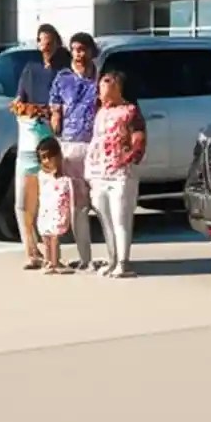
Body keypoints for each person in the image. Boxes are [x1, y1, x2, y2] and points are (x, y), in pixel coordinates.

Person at [9, 23, 69, 269]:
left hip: (50, 141)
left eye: (50, 41)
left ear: (57, 44)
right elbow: (18, 101)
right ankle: (31, 252)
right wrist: (23, 109)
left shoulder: (64, 73)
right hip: (27, 140)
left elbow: (65, 107)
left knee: (50, 201)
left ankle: (53, 255)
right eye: (41, 40)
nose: (45, 45)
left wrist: (49, 113)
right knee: (23, 202)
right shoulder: (30, 70)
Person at [85, 70, 147, 278]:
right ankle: (112, 260)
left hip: (121, 173)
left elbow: (138, 137)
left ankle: (123, 262)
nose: (100, 88)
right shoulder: (100, 111)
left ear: (116, 86)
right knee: (105, 218)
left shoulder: (130, 111)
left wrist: (129, 157)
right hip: (99, 173)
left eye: (105, 83)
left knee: (121, 218)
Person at [48, 31, 101, 271]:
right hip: (69, 145)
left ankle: (114, 255)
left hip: (95, 146)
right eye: (75, 49)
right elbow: (54, 109)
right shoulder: (62, 78)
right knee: (76, 205)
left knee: (99, 201)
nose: (79, 54)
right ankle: (84, 256)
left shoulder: (101, 78)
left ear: (91, 51)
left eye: (82, 49)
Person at [35, 136, 74, 275]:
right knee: (46, 236)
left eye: (49, 157)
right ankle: (50, 261)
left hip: (57, 209)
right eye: (43, 158)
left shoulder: (63, 174)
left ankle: (55, 260)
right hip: (46, 209)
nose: (46, 161)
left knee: (55, 236)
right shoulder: (42, 175)